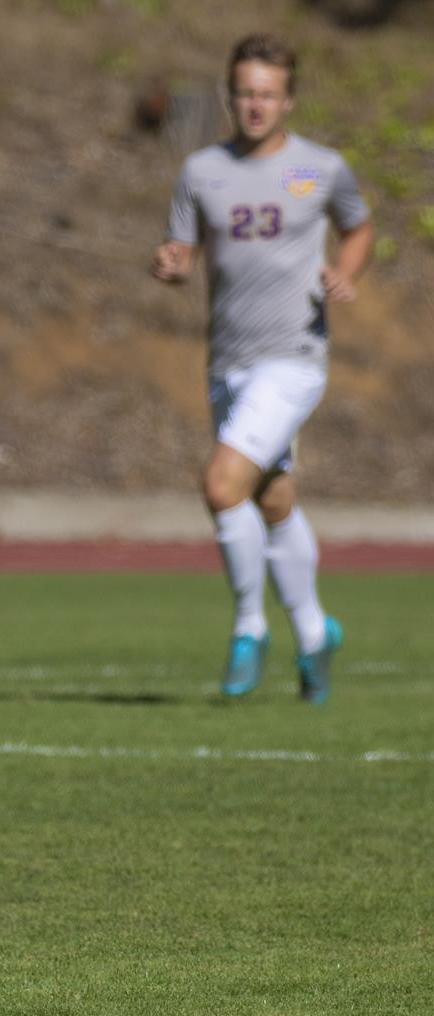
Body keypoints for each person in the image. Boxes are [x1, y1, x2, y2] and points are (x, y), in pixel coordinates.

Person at [151, 34, 373, 703]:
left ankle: (250, 629)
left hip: (295, 357)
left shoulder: (321, 168)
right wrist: (167, 266)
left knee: (222, 485)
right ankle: (314, 633)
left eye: (268, 94)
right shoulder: (202, 172)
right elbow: (182, 254)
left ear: (289, 100)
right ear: (231, 94)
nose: (256, 105)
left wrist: (345, 272)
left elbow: (357, 227)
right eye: (246, 92)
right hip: (228, 360)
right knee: (271, 498)